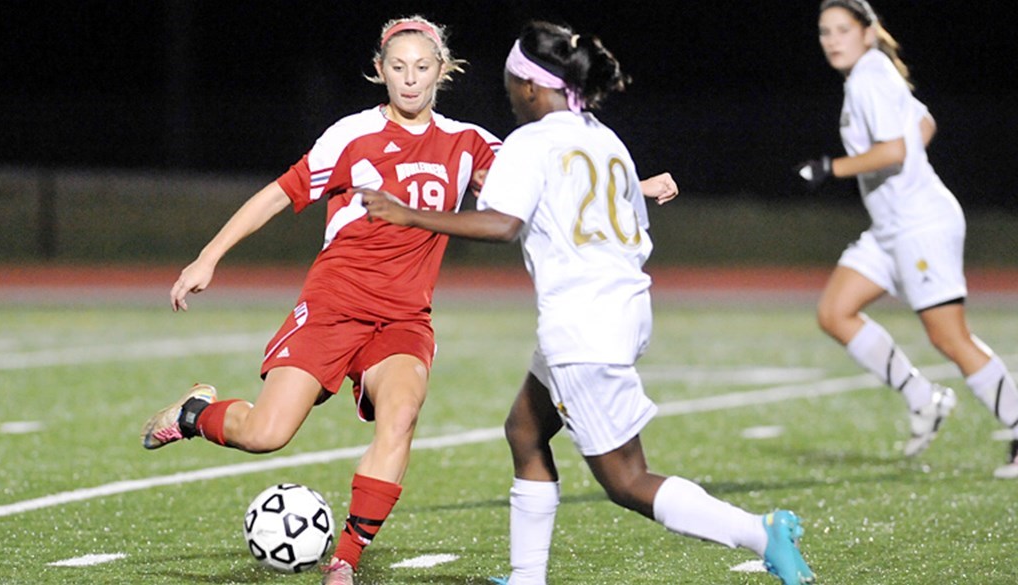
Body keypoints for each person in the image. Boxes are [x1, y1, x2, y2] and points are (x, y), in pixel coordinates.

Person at [362, 20, 815, 585]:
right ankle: (527, 577)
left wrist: (408, 214)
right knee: (525, 431)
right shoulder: (604, 138)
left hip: (583, 325)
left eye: (510, 82)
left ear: (532, 86)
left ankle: (760, 532)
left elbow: (503, 224)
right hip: (620, 306)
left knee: (626, 479)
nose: (508, 93)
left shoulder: (532, 141)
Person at [139, 16, 503, 585]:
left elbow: (539, 184)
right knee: (266, 434)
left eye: (422, 67)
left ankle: (346, 560)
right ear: (380, 70)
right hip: (334, 306)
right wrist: (209, 256)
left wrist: (620, 189)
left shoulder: (470, 143)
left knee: (401, 415)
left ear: (442, 70)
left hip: (403, 319)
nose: (410, 79)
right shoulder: (351, 135)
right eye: (398, 67)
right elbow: (277, 195)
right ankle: (193, 414)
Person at [794, 0, 1018, 479]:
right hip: (890, 228)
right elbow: (924, 124)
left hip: (920, 226)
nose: (832, 40)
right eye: (825, 32)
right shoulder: (874, 72)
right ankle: (924, 398)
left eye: (842, 30)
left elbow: (894, 150)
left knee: (949, 337)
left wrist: (831, 167)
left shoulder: (868, 77)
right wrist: (904, 161)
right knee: (835, 312)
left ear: (867, 32)